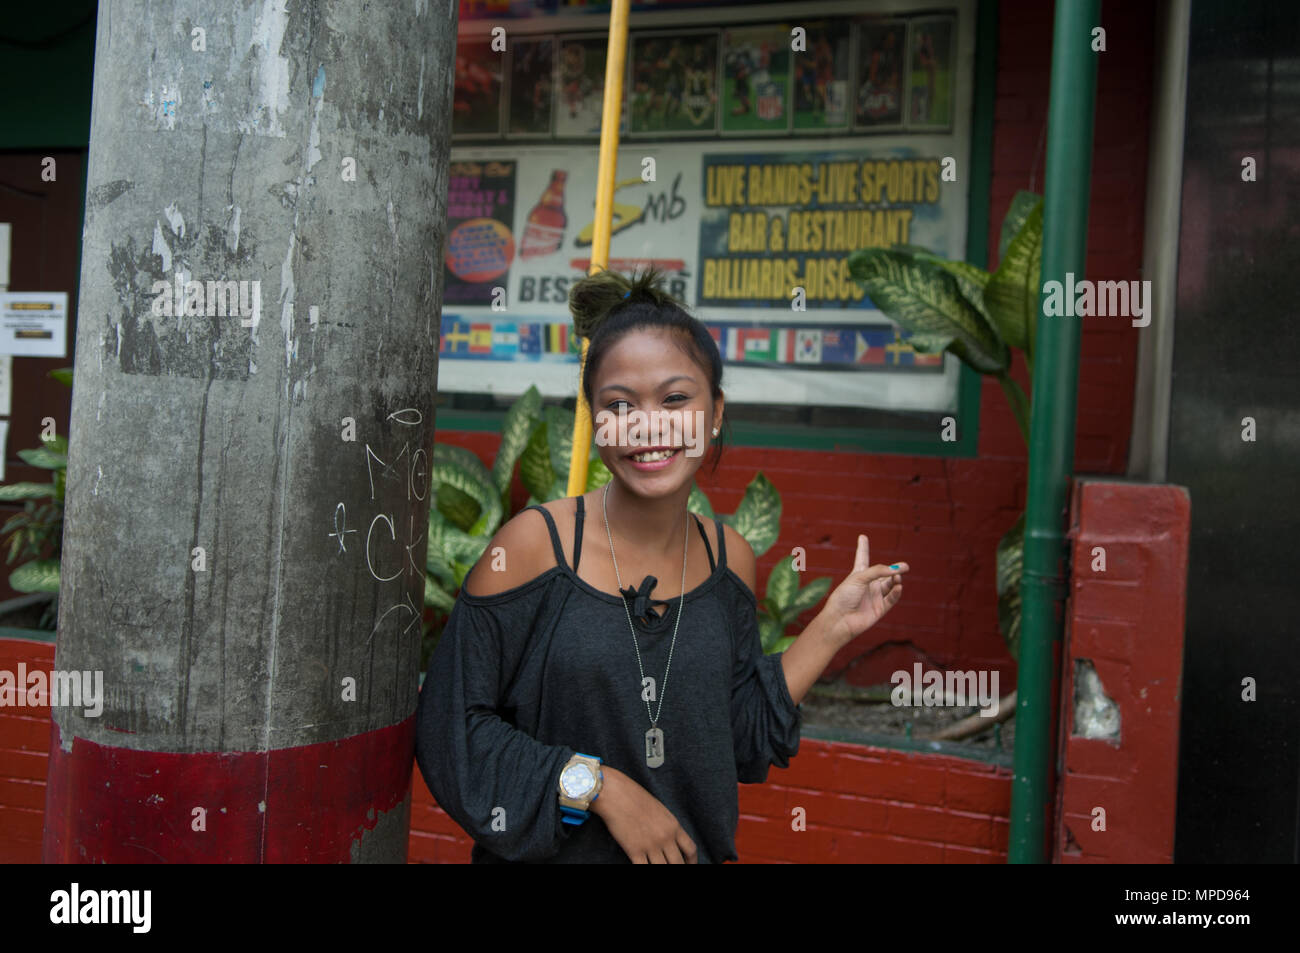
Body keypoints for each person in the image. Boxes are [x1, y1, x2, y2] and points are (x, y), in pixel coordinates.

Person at [415, 266, 909, 863]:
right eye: (619, 404)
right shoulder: (534, 547)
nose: (649, 426)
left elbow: (734, 736)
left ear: (715, 411)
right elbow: (451, 727)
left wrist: (832, 628)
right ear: (594, 421)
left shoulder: (729, 558)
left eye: (675, 399)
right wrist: (598, 787)